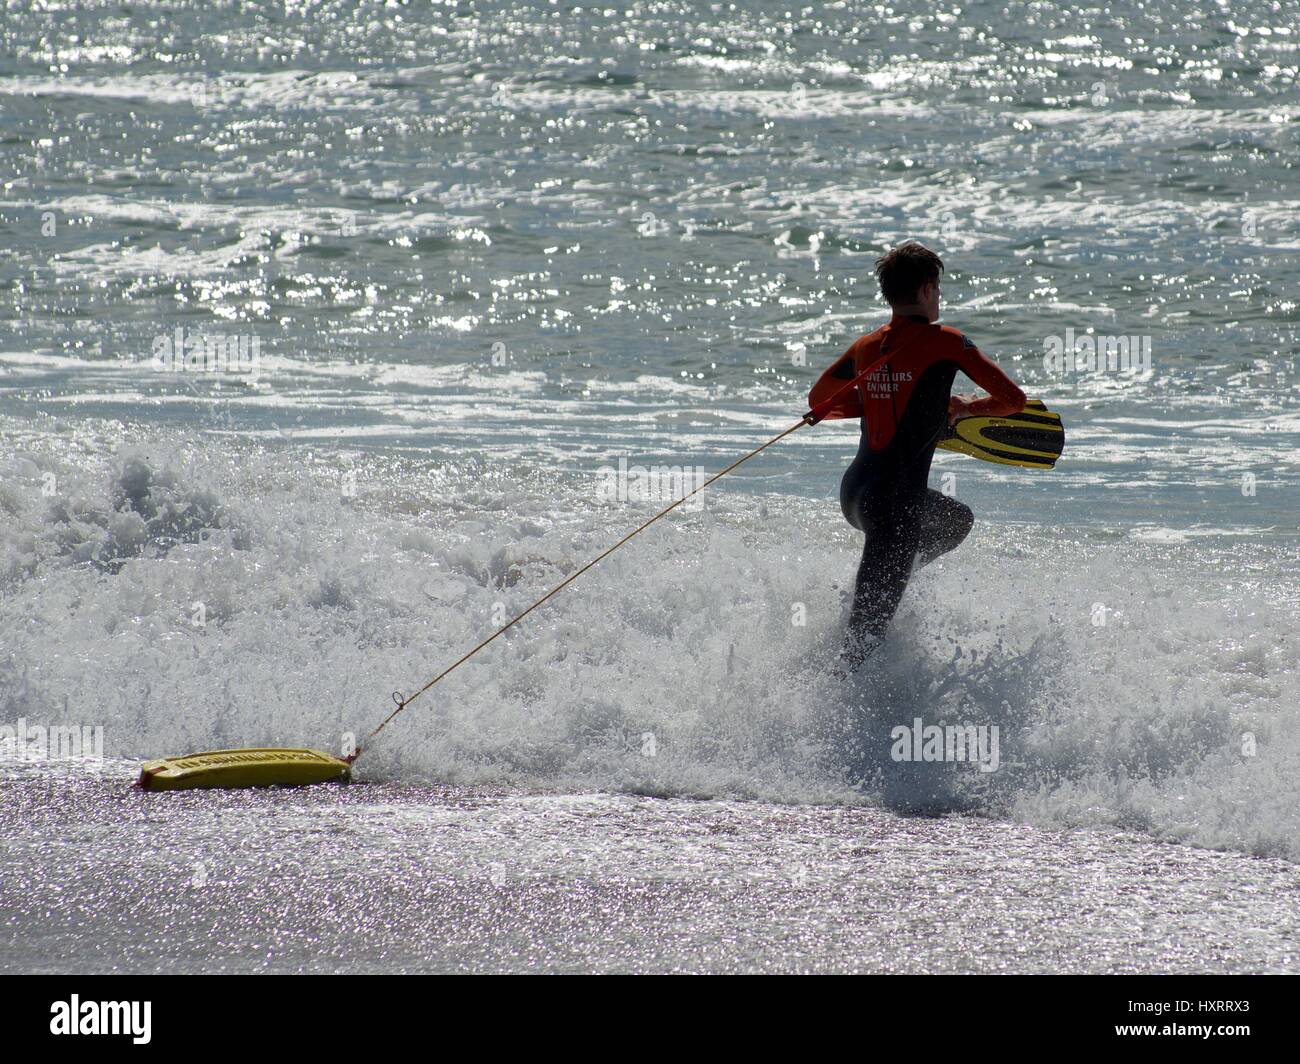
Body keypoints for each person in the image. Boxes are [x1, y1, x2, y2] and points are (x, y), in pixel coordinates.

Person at [809, 242, 1026, 671]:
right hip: (896, 508)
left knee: (955, 520)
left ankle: (890, 577)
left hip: (856, 495)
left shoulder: (866, 346)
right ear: (927, 289)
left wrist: (875, 401)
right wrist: (963, 406)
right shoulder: (947, 342)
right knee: (857, 654)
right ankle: (816, 720)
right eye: (938, 288)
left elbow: (820, 401)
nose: (939, 297)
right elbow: (1012, 400)